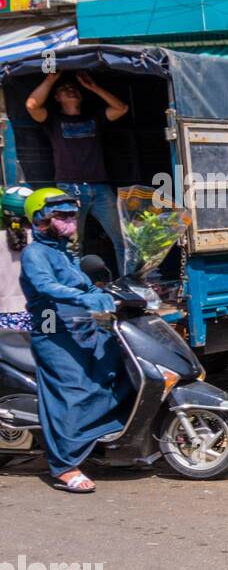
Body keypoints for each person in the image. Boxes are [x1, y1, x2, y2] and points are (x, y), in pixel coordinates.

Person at [19, 188, 132, 493]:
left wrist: (106, 294)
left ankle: (100, 438)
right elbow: (46, 285)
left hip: (79, 323)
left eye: (71, 214)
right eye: (61, 215)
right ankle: (64, 466)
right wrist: (86, 298)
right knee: (73, 389)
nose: (69, 220)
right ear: (41, 219)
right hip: (50, 323)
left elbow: (87, 284)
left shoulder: (65, 253)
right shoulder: (35, 253)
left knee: (117, 367)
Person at [26, 71, 129, 274]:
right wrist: (51, 79)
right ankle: (77, 287)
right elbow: (32, 105)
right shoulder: (53, 120)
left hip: (100, 188)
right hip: (69, 189)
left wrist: (93, 87)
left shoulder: (94, 118)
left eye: (74, 89)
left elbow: (121, 108)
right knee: (72, 243)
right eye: (64, 90)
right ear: (56, 98)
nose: (70, 90)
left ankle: (130, 284)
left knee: (124, 239)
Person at [1, 186, 32, 331]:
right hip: (44, 313)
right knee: (51, 348)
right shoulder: (44, 242)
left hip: (4, 315)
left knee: (8, 353)